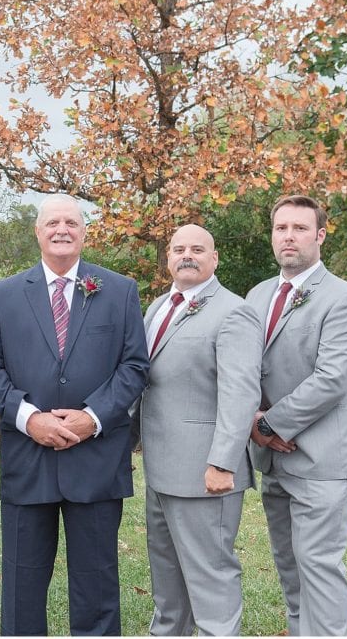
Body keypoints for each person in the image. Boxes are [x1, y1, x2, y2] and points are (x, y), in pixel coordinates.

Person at [0, 193, 149, 635]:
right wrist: (29, 419)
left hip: (95, 462)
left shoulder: (119, 291)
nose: (62, 230)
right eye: (52, 222)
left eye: (71, 223)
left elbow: (134, 366)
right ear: (37, 232)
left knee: (97, 587)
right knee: (22, 587)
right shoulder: (2, 296)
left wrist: (92, 418)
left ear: (84, 232)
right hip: (28, 460)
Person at [247, 195, 347, 636]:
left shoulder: (345, 299)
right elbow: (244, 366)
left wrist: (270, 424)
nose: (289, 236)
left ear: (320, 235)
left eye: (300, 228)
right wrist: (253, 421)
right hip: (273, 456)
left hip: (325, 456)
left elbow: (332, 379)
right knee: (289, 566)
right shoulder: (258, 295)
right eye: (281, 228)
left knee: (318, 565)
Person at [130, 224, 262, 635]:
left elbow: (241, 394)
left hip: (205, 473)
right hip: (161, 470)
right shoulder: (157, 307)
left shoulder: (233, 311)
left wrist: (222, 462)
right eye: (179, 249)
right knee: (167, 580)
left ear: (215, 258)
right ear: (168, 257)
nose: (187, 255)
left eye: (198, 249)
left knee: (211, 577)